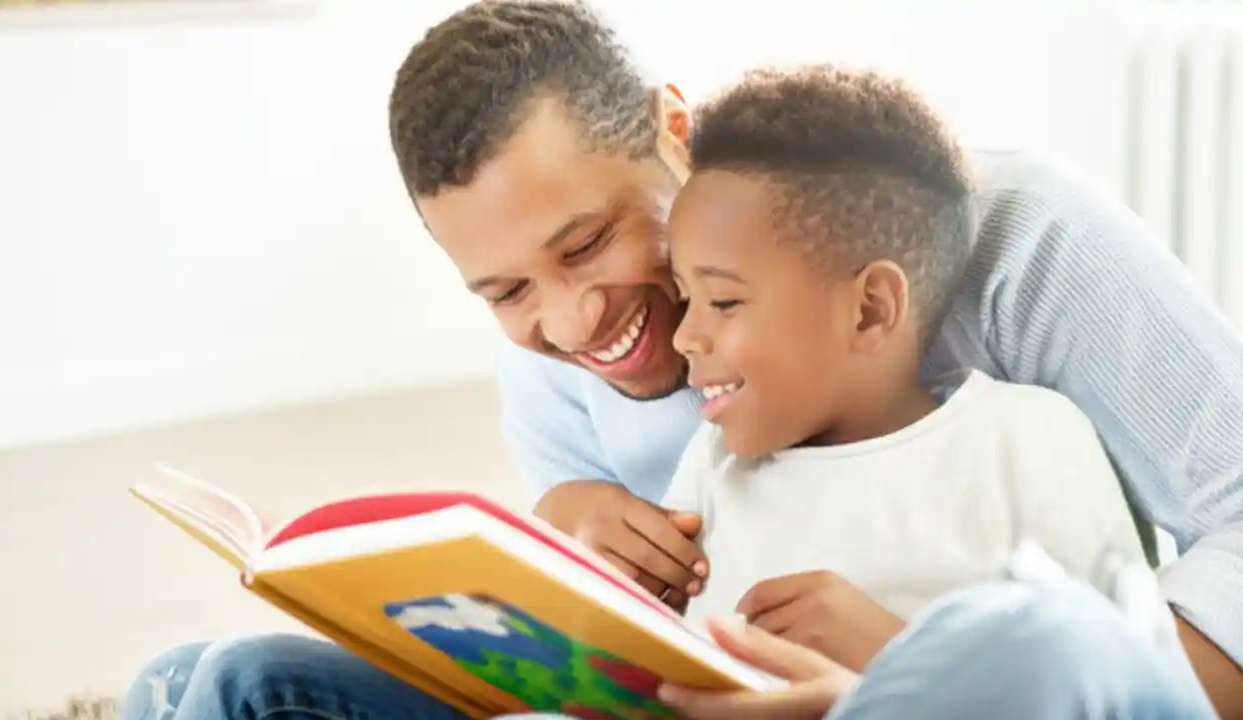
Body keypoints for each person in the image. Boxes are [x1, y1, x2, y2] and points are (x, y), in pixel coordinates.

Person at [121, 0, 1243, 716]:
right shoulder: (556, 357)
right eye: (506, 292)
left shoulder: (1007, 243)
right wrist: (559, 541)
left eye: (588, 242)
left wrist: (903, 689)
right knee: (219, 684)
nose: (568, 330)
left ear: (673, 126)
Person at [659, 64, 1146, 652]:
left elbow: (1114, 680)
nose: (684, 337)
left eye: (723, 301)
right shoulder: (711, 462)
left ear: (869, 310)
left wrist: (896, 658)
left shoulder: (1022, 440)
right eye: (686, 299)